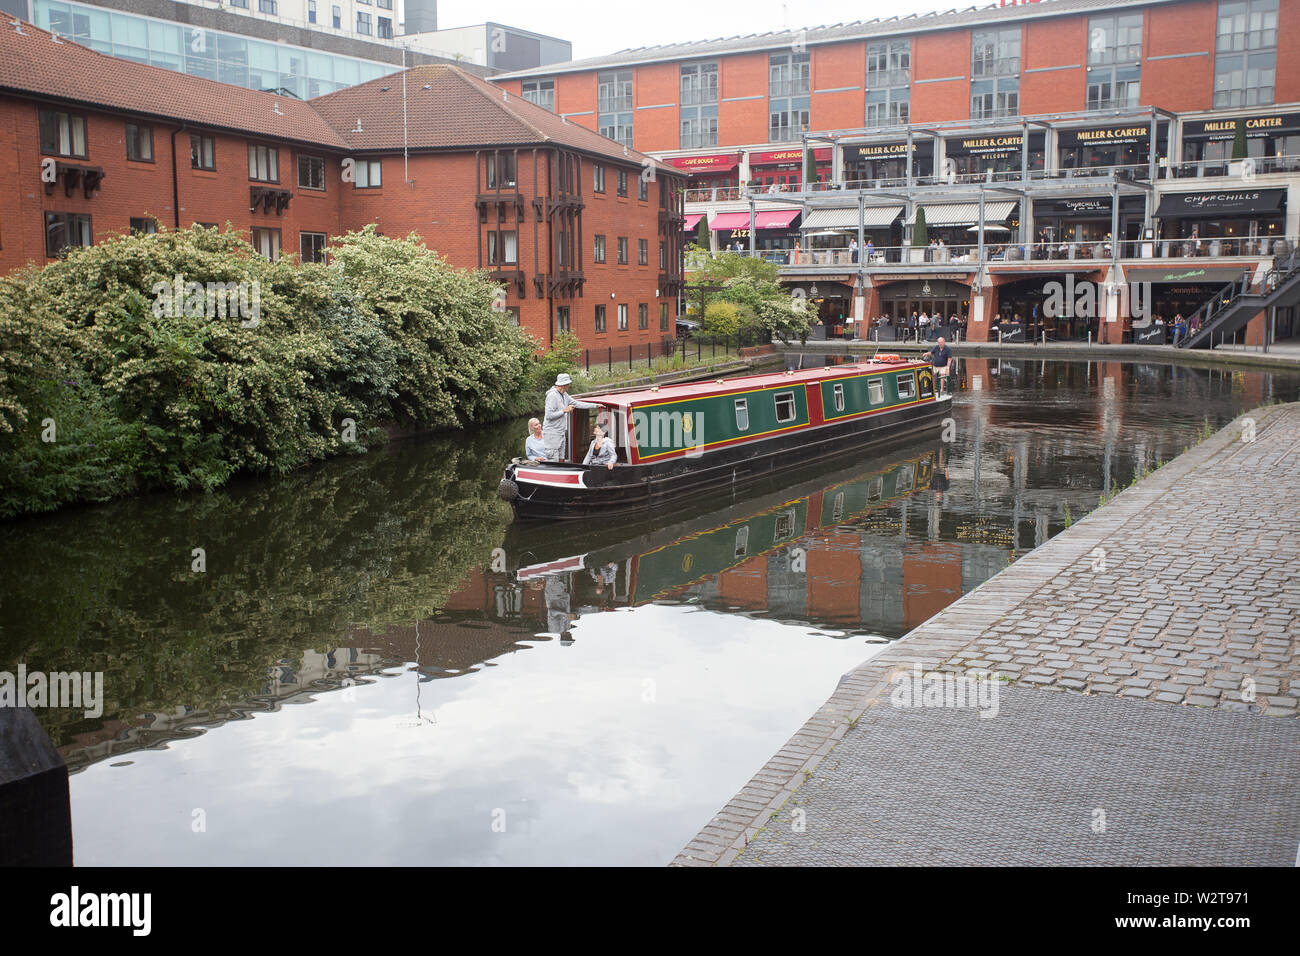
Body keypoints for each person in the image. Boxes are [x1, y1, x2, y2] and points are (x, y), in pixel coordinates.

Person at [543, 373, 597, 462]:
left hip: (561, 432)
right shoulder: (552, 396)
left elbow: (577, 403)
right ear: (563, 385)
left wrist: (595, 405)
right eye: (568, 384)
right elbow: (549, 416)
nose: (569, 385)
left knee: (562, 459)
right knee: (553, 461)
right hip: (552, 434)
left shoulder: (564, 395)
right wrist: (564, 410)